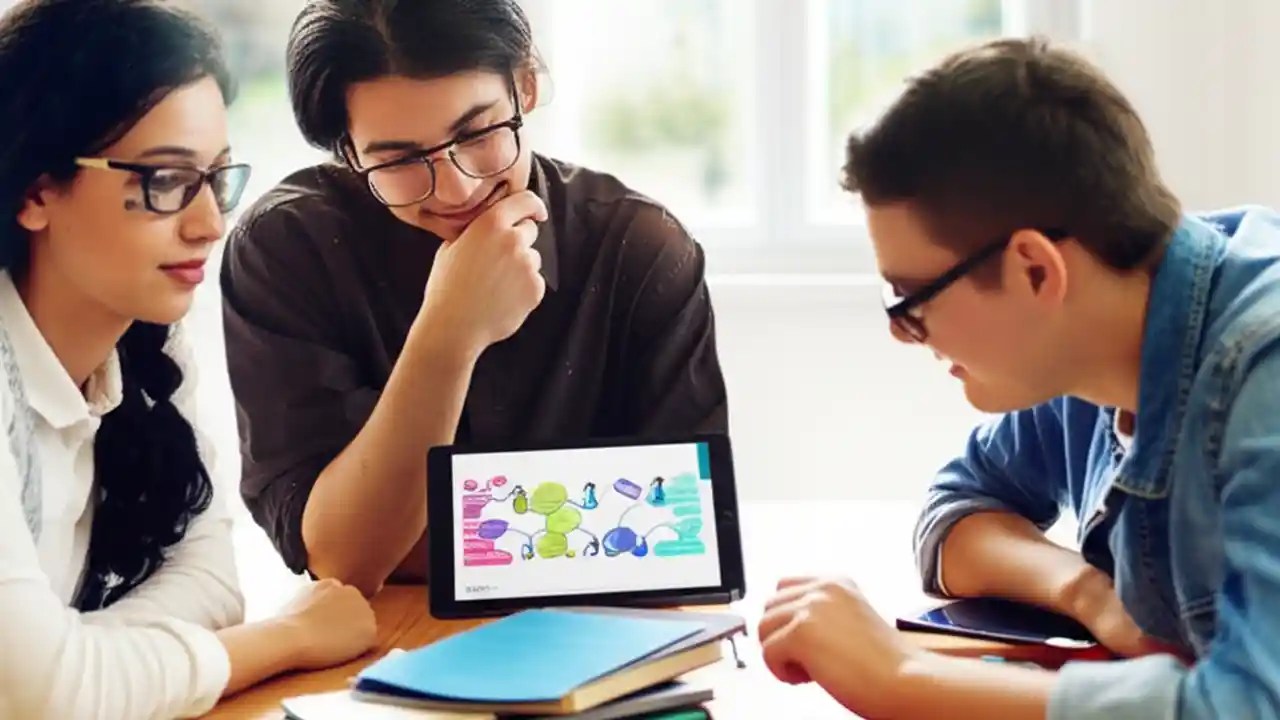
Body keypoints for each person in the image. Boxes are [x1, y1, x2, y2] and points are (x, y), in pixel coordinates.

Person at [757, 37, 1280, 719]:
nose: (899, 331)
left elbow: (1248, 706)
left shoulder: (1261, 375)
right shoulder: (1100, 341)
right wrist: (1089, 594)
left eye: (910, 300)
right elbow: (959, 507)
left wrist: (900, 679)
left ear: (1035, 270)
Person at [221, 0, 730, 596]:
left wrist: (433, 524)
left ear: (526, 86)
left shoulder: (637, 247)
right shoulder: (288, 249)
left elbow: (678, 536)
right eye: (401, 159)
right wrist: (448, 334)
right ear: (348, 153)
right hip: (376, 650)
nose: (458, 186)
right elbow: (346, 559)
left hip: (607, 639)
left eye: (477, 132)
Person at [0, 1, 376, 718]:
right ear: (35, 190)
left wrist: (74, 658)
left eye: (216, 178)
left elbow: (212, 582)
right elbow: (39, 693)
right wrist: (291, 636)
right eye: (165, 182)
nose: (209, 224)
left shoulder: (144, 336)